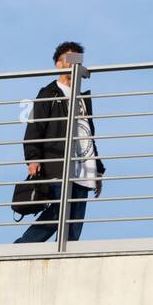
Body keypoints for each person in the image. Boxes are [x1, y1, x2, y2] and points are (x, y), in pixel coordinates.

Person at [16, 41, 105, 243]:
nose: (75, 65)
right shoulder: (48, 93)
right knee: (57, 214)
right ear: (58, 63)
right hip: (58, 165)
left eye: (78, 61)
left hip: (84, 169)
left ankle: (67, 260)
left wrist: (98, 169)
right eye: (70, 59)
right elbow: (34, 128)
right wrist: (32, 159)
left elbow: (87, 134)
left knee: (75, 223)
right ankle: (22, 247)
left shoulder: (82, 98)